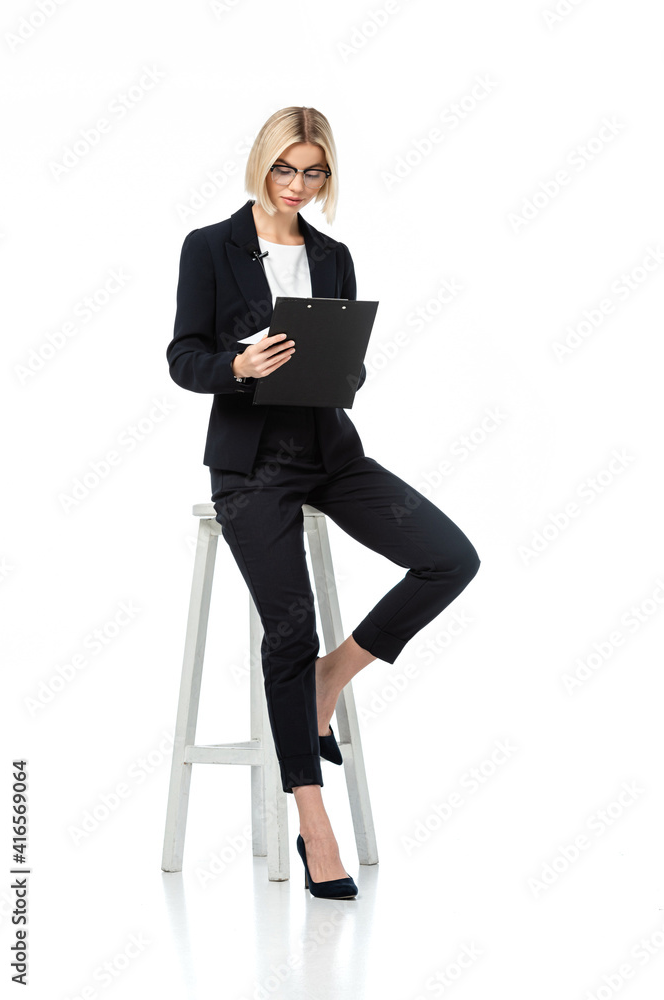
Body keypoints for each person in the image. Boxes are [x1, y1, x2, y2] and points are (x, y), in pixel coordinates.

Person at [166, 105, 480, 898]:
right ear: (261, 163)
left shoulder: (333, 257)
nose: (297, 185)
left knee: (449, 559)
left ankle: (329, 677)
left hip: (332, 454)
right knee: (289, 627)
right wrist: (237, 367)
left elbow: (350, 368)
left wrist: (342, 367)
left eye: (313, 172)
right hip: (250, 467)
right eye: (284, 168)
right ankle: (314, 822)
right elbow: (183, 357)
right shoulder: (209, 247)